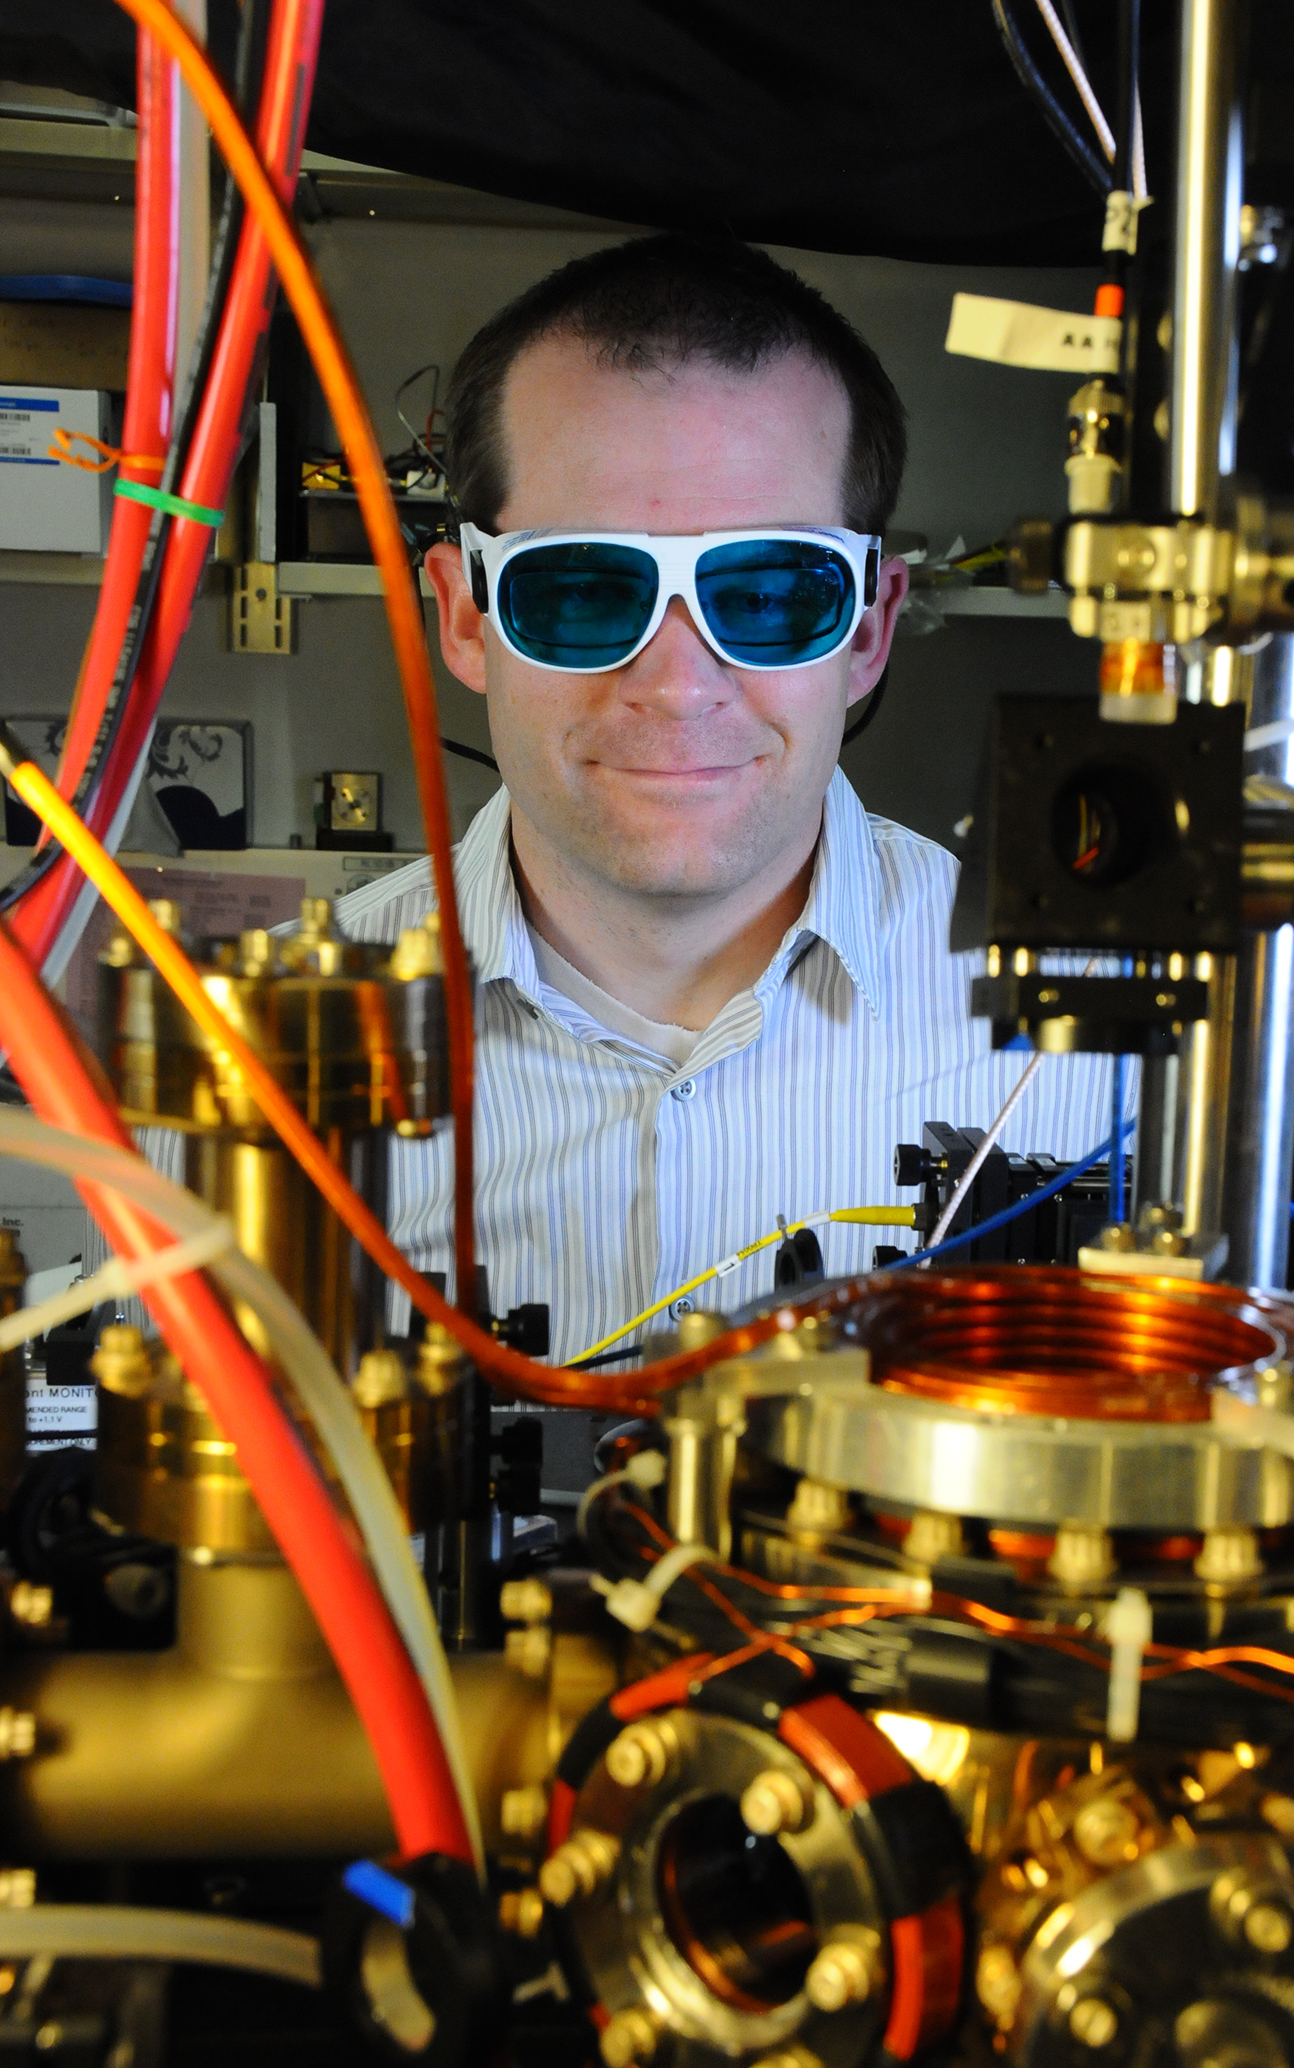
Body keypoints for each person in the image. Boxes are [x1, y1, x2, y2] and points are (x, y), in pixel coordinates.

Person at [339, 233, 1112, 1364]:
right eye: (584, 587)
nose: (676, 682)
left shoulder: (1088, 1056)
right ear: (466, 617)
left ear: (869, 629)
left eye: (767, 591)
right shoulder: (254, 1064)